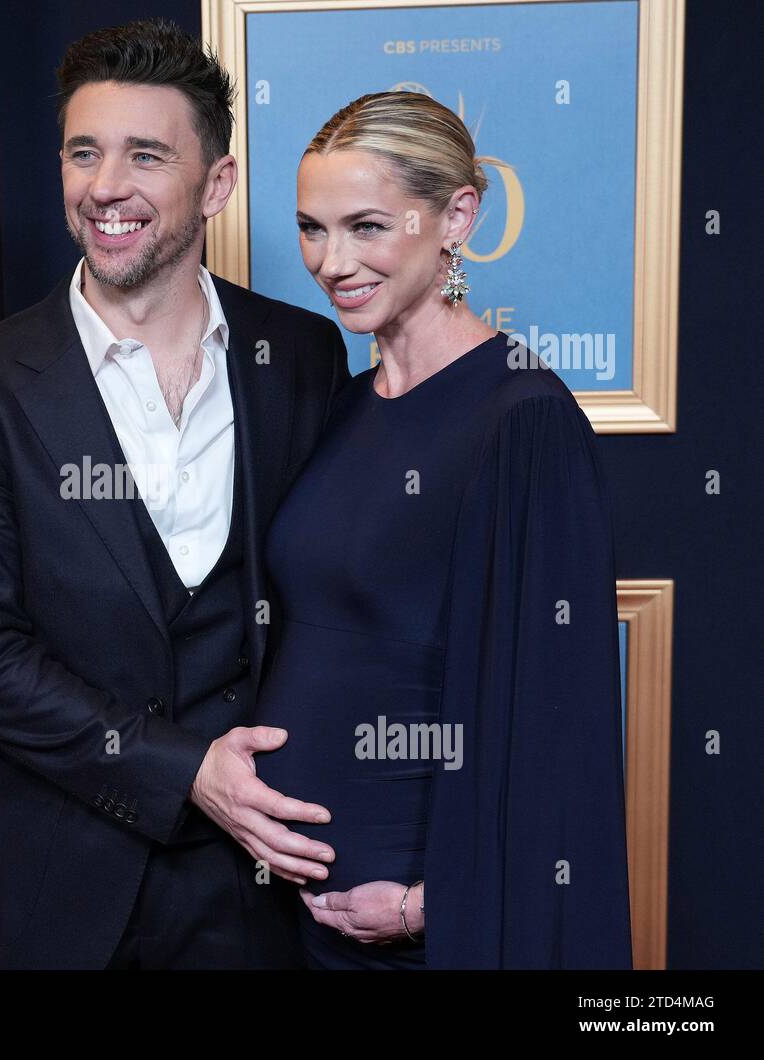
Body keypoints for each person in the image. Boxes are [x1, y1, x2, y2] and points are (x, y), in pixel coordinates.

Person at [0, 18, 348, 969]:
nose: (106, 186)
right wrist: (186, 770)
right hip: (52, 889)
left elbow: (341, 603)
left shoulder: (302, 357)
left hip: (262, 889)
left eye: (145, 155)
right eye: (84, 153)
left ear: (218, 184)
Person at [251, 90, 632, 969]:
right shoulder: (345, 406)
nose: (330, 261)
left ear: (456, 216)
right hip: (289, 914)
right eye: (312, 228)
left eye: (367, 226)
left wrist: (434, 904)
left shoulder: (522, 418)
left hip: (414, 930)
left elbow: (556, 718)